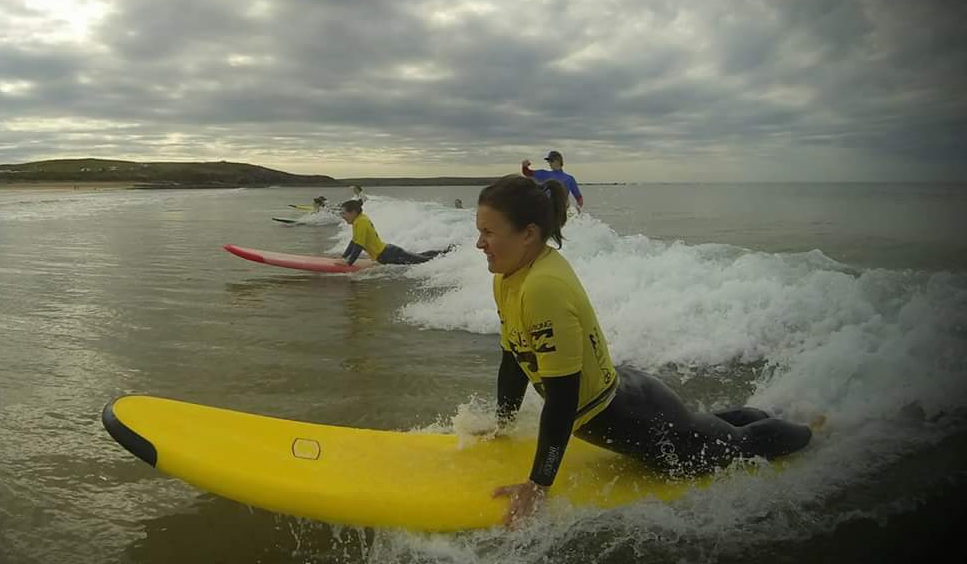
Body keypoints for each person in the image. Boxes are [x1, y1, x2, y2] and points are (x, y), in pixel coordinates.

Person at [475, 174, 812, 526]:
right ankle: (767, 414)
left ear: (527, 234)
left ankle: (811, 435)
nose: (479, 243)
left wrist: (538, 484)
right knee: (703, 427)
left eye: (488, 232)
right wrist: (504, 426)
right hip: (625, 394)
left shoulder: (543, 288)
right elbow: (513, 360)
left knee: (737, 446)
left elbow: (563, 399)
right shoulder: (508, 278)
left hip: (635, 419)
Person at [336, 200, 448, 266]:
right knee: (422, 257)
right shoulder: (358, 220)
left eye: (344, 213)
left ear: (354, 212)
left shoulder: (361, 222)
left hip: (389, 255)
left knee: (425, 261)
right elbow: (354, 241)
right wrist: (343, 257)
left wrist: (348, 263)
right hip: (388, 253)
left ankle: (449, 254)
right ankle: (447, 251)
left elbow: (359, 246)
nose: (342, 216)